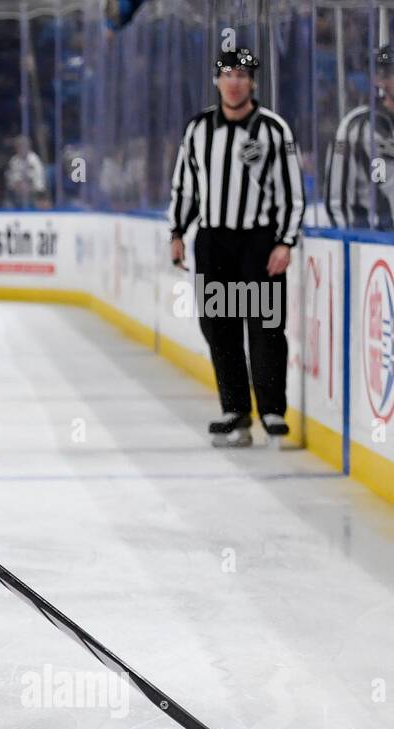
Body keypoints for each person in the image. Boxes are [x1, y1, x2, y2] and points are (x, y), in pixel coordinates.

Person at [167, 48, 304, 448]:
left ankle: (273, 411)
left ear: (253, 82)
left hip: (258, 244)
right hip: (213, 242)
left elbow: (292, 195)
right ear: (216, 80)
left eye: (242, 74)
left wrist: (285, 241)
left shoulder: (274, 130)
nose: (234, 81)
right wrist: (176, 233)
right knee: (219, 328)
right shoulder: (197, 130)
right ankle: (235, 410)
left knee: (265, 328)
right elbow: (184, 187)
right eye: (227, 73)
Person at [325, 44, 394, 232]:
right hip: (373, 246)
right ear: (380, 80)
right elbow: (337, 201)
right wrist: (350, 244)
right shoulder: (356, 127)